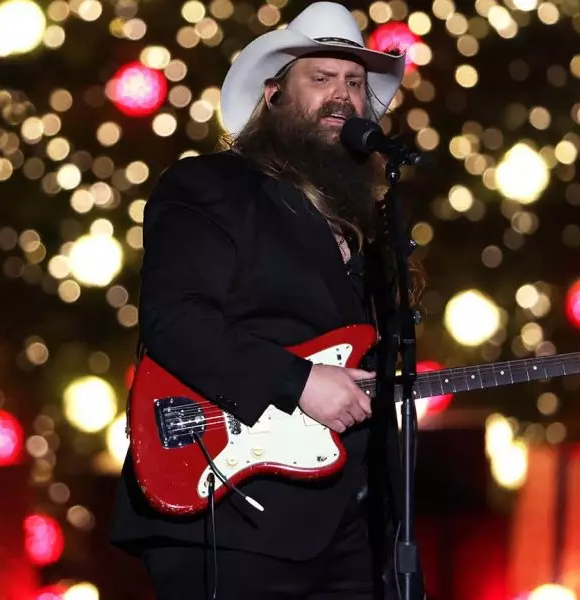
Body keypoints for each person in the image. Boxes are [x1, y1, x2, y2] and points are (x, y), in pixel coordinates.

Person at [110, 3, 424, 598]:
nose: (343, 96)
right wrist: (298, 381)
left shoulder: (368, 221)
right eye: (322, 78)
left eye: (355, 83)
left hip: (348, 530)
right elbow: (174, 319)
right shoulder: (210, 185)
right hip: (223, 512)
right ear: (274, 94)